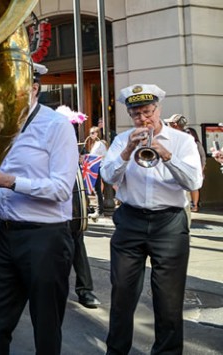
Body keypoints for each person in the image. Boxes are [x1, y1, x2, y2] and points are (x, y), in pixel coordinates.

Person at [0, 63, 78, 355]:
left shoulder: (56, 125)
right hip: (4, 234)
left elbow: (61, 189)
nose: (3, 96)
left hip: (45, 238)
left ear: (34, 89)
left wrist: (9, 183)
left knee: (46, 325)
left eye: (12, 89)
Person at [101, 84, 203, 354]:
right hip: (131, 220)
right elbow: (108, 177)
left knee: (168, 299)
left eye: (147, 111)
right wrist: (126, 153)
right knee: (122, 294)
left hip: (169, 223)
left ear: (158, 109)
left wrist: (166, 155)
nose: (143, 119)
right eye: (136, 114)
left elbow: (193, 180)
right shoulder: (122, 140)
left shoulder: (182, 141)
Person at [84, 126, 108, 220]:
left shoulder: (99, 144)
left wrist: (84, 156)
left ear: (97, 133)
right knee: (97, 189)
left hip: (97, 167)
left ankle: (99, 210)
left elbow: (93, 156)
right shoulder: (98, 143)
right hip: (98, 167)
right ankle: (99, 210)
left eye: (93, 132)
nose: (91, 135)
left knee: (97, 189)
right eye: (90, 133)